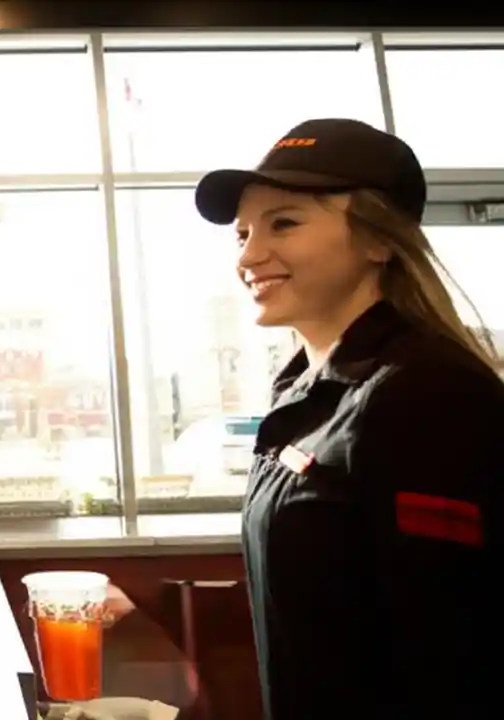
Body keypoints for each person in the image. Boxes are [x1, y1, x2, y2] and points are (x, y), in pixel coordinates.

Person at [194, 118, 499, 718]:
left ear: (378, 241)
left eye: (284, 223)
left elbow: (452, 647)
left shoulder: (426, 394)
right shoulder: (304, 393)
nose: (250, 255)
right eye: (243, 234)